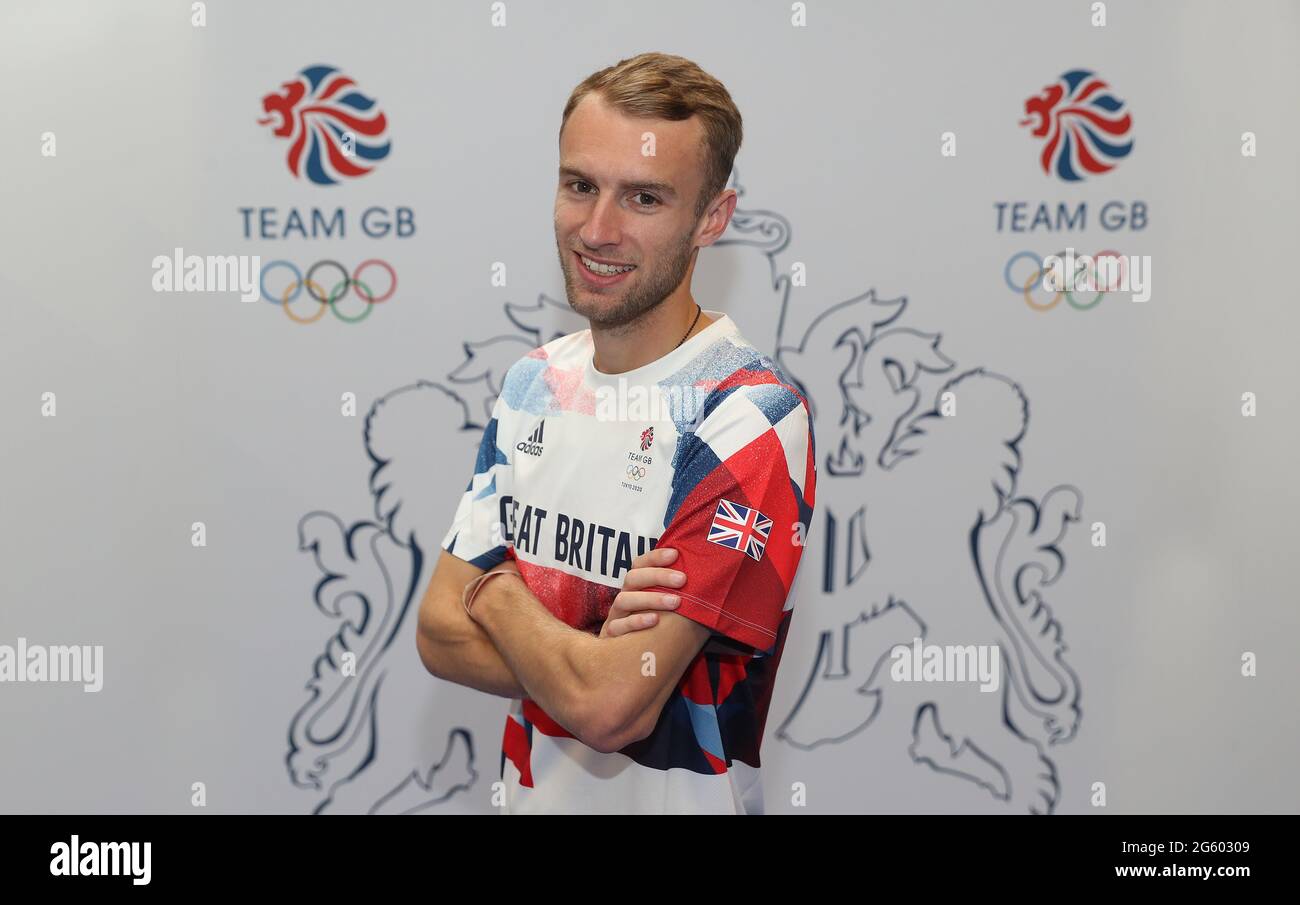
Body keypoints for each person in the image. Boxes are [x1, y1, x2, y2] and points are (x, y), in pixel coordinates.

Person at [416, 51, 816, 814]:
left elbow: (611, 707)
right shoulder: (533, 382)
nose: (597, 229)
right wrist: (591, 645)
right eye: (579, 186)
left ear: (712, 218)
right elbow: (437, 634)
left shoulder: (745, 415)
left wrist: (495, 590)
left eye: (642, 198)